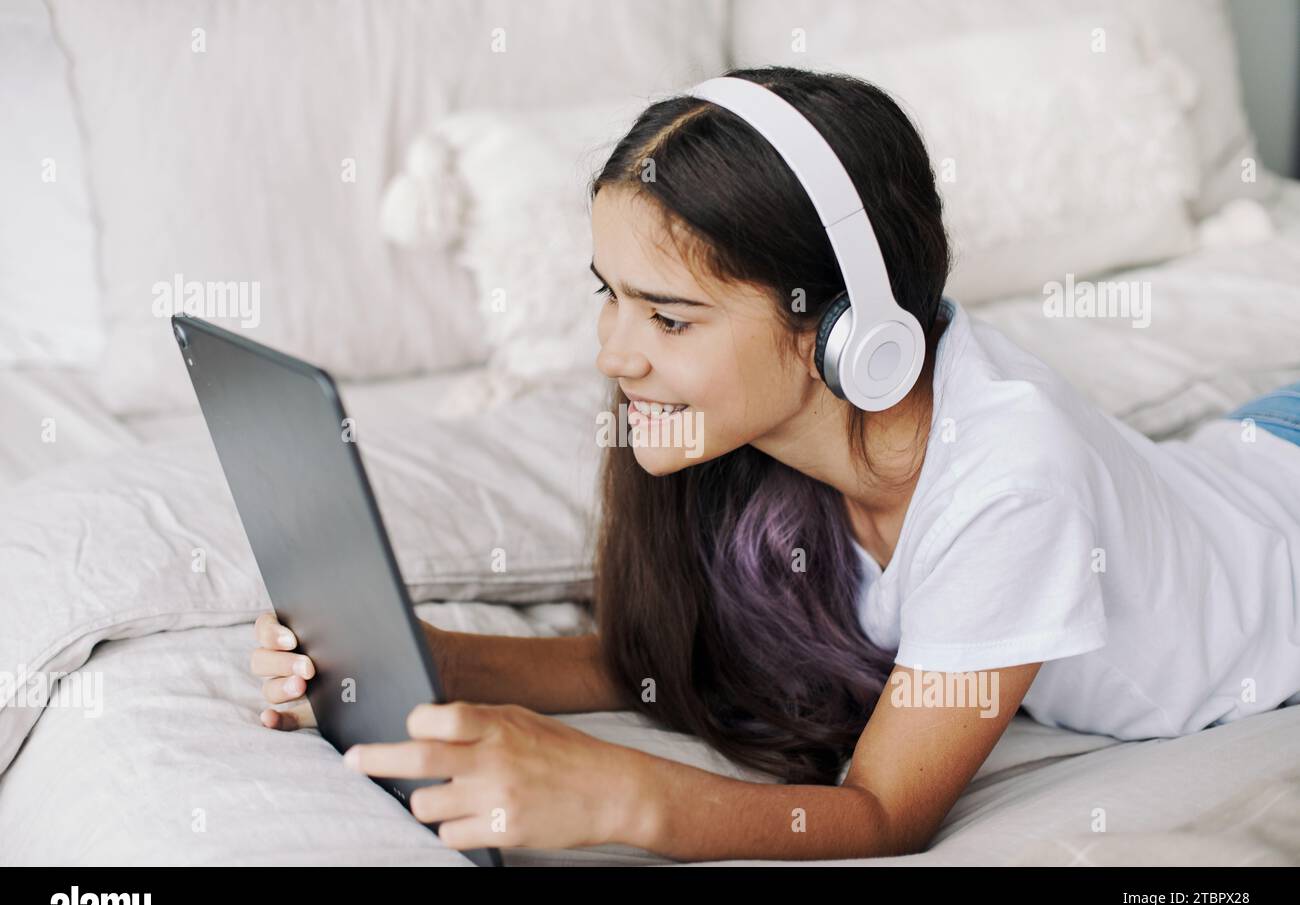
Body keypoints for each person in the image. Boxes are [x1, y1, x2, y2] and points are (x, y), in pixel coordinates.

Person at [248, 66, 1300, 862]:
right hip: (1243, 458)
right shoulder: (752, 434)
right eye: (608, 295)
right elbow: (677, 660)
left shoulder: (1009, 484)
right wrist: (421, 660)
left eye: (669, 317)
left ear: (849, 336)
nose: (614, 354)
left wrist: (618, 793)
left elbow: (881, 815)